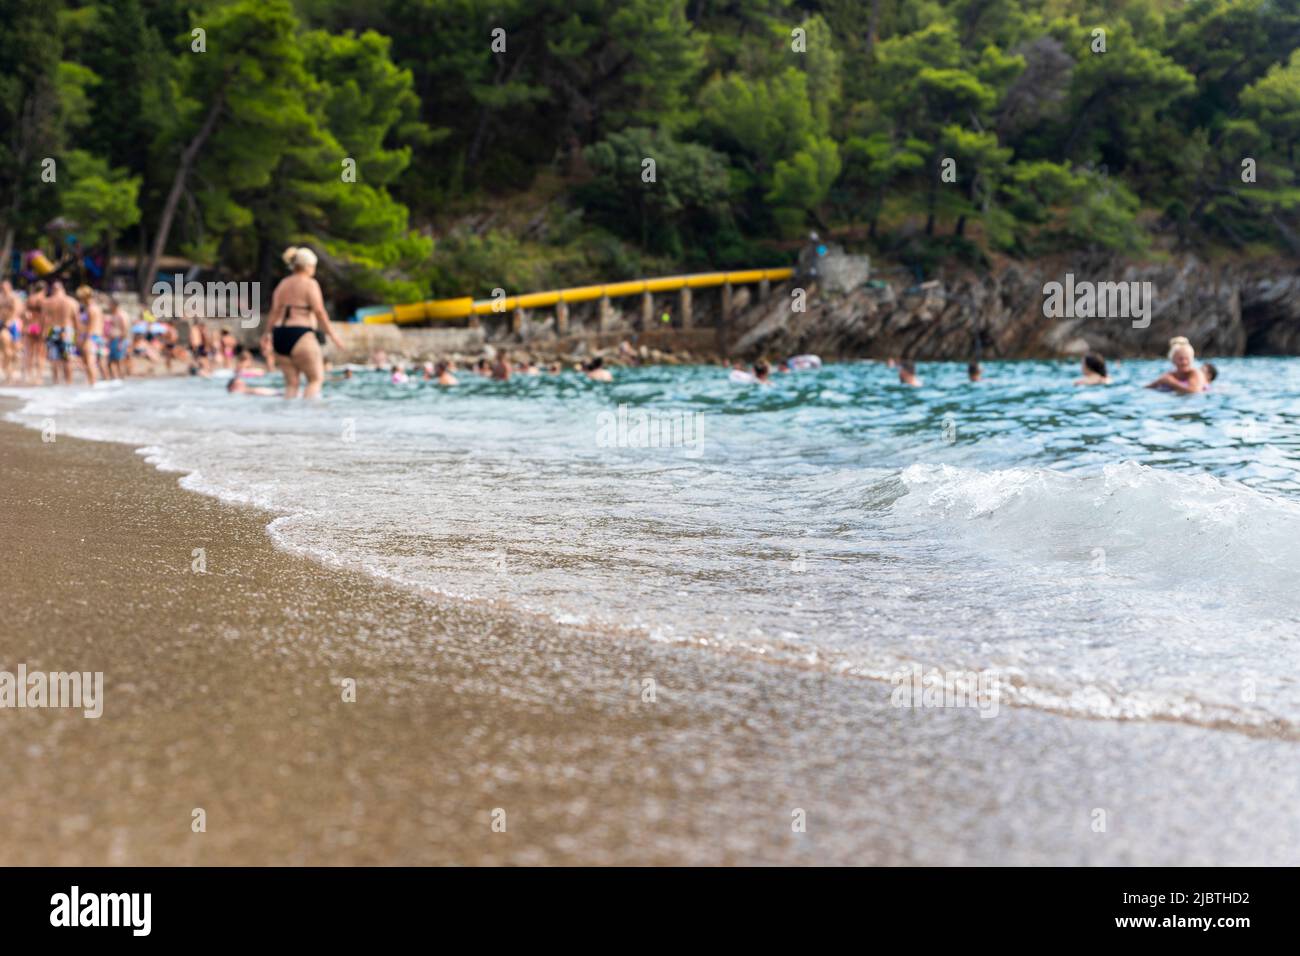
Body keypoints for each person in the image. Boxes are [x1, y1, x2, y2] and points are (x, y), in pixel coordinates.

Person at [259, 246, 342, 399]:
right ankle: (307, 419)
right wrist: (333, 335)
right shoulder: (310, 284)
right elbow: (319, 312)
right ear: (308, 266)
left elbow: (274, 311)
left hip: (280, 335)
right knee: (315, 380)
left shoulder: (283, 284)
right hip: (301, 334)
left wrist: (266, 334)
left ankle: (289, 418)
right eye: (313, 266)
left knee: (291, 384)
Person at [43, 280, 78, 385]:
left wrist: (43, 334)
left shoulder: (48, 302)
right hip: (67, 330)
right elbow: (76, 320)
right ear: (63, 289)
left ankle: (56, 383)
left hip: (53, 330)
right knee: (68, 358)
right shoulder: (71, 301)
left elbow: (44, 320)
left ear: (53, 290)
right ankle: (69, 383)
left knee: (54, 359)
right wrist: (78, 335)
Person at [75, 286, 106, 385]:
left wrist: (85, 340)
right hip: (98, 337)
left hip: (91, 337)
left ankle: (93, 385)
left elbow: (90, 326)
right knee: (98, 363)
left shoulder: (90, 309)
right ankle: (97, 384)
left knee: (90, 363)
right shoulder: (97, 308)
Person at [106, 299, 130, 380]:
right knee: (111, 361)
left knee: (119, 361)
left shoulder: (121, 315)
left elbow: (125, 329)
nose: (108, 306)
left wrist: (120, 342)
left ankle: (121, 379)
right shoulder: (115, 314)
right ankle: (115, 380)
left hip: (119, 340)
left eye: (110, 304)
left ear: (114, 305)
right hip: (114, 340)